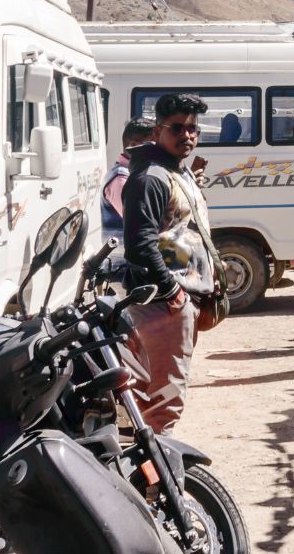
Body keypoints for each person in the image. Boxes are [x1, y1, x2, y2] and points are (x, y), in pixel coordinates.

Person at [122, 93, 220, 432]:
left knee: (154, 399)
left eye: (193, 129)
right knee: (161, 406)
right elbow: (138, 247)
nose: (187, 135)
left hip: (173, 305)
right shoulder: (150, 178)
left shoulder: (176, 172)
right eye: (177, 128)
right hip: (161, 307)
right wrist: (173, 292)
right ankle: (153, 481)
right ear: (157, 131)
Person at [102, 118, 155, 236]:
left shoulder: (133, 173)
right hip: (119, 252)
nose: (158, 151)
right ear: (134, 146)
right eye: (153, 145)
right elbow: (139, 223)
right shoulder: (121, 179)